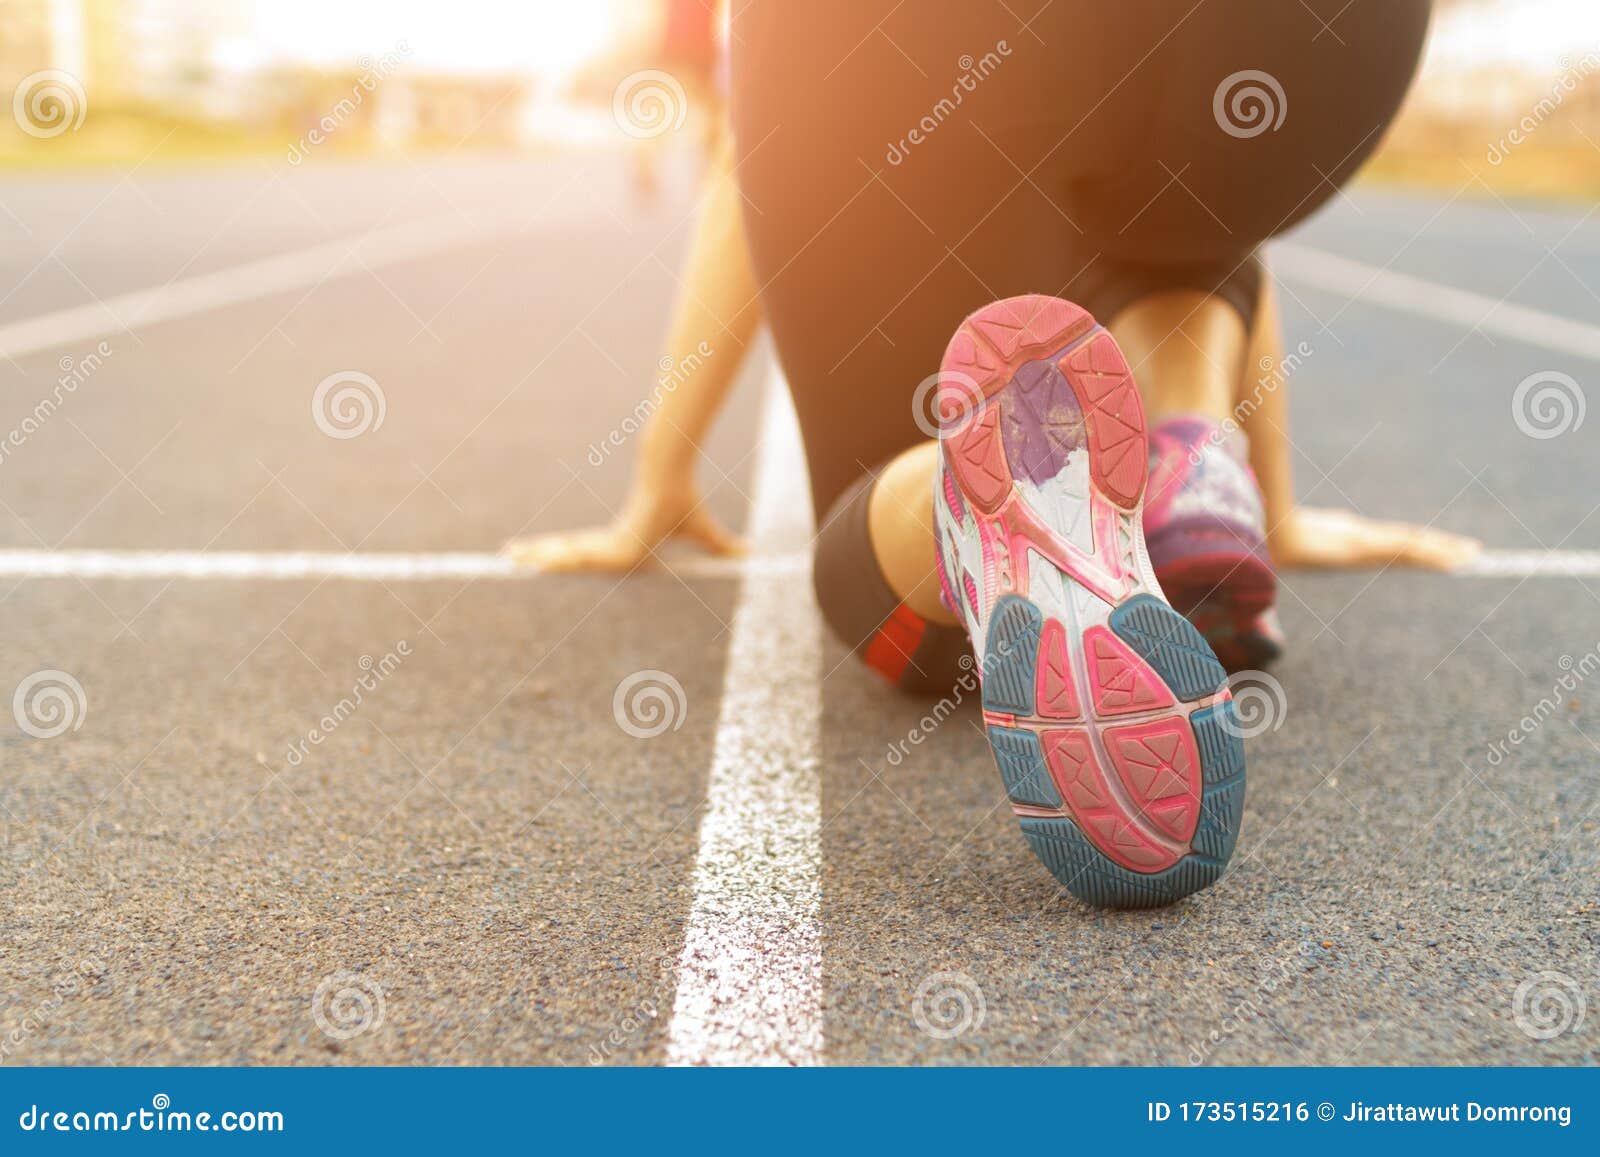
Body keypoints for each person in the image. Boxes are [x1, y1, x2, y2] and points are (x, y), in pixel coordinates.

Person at [511, 0, 1479, 907]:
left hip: (922, 41)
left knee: (863, 560)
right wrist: (1279, 506)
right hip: (1333, 48)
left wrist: (662, 475)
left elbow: (749, 164)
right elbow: (1229, 217)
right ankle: (1189, 450)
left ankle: (966, 494)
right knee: (1187, 191)